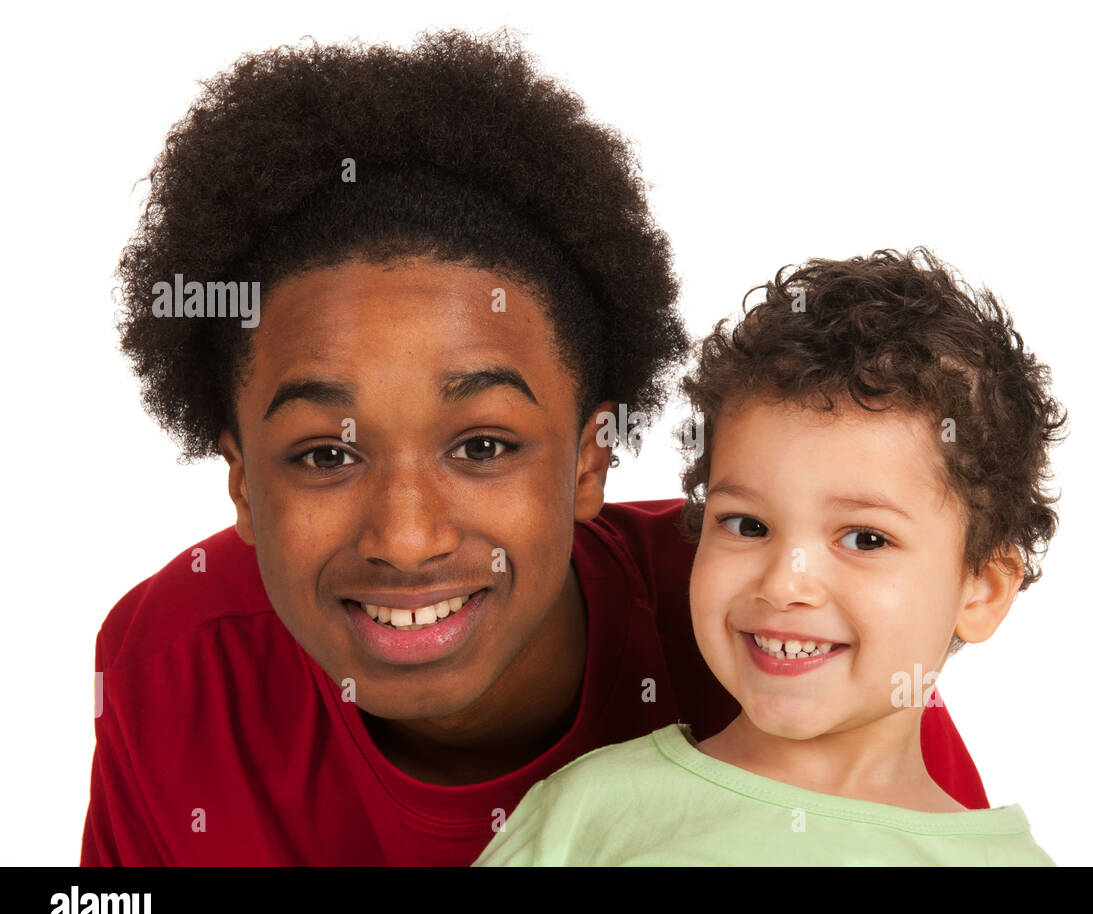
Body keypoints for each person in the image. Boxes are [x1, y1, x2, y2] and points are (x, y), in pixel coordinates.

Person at [83, 31, 988, 866]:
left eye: (482, 444)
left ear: (592, 458)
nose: (405, 539)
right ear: (239, 478)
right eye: (326, 455)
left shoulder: (782, 649)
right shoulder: (171, 672)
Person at [475, 249, 1066, 865]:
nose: (786, 584)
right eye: (748, 525)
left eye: (865, 538)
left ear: (983, 591)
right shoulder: (588, 811)